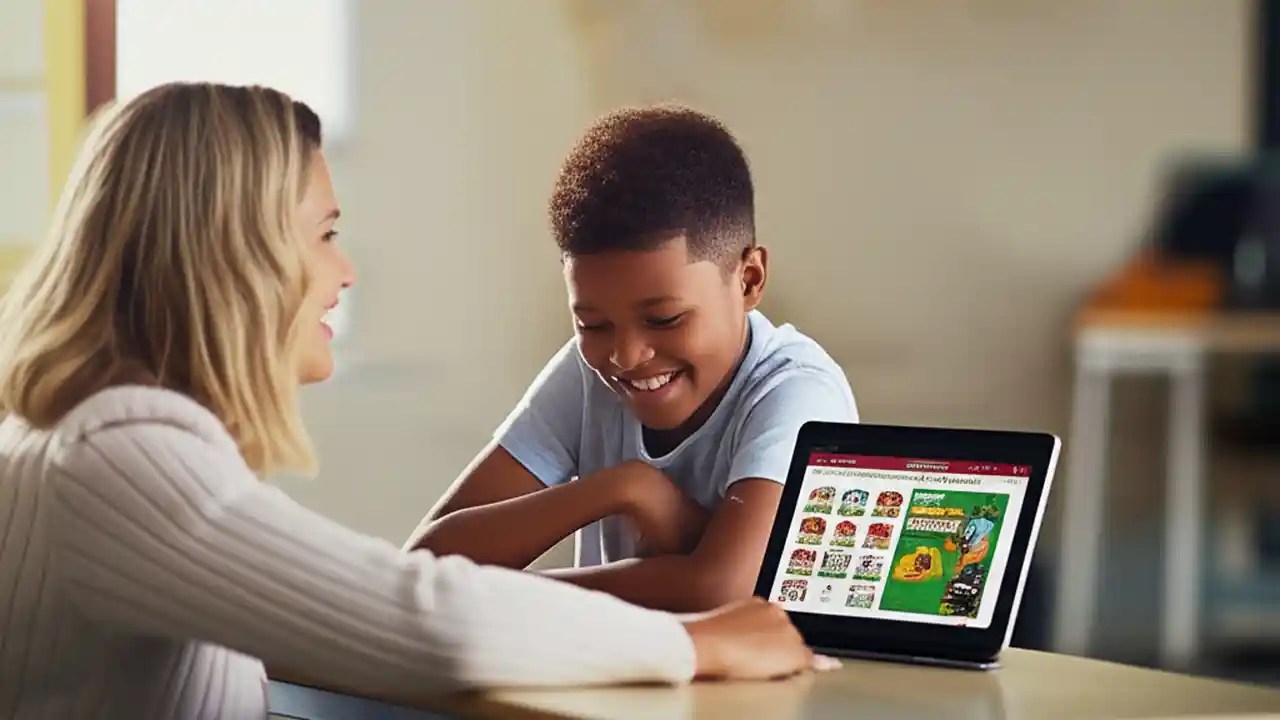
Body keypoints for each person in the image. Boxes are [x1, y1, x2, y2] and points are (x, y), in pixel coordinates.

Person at [0, 83, 824, 720]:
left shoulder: (78, 440)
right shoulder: (121, 459)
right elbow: (428, 616)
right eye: (324, 234)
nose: (346, 271)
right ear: (232, 257)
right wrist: (691, 644)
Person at [407, 105, 857, 612]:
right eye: (592, 325)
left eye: (665, 319)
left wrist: (497, 592)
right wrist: (622, 489)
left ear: (748, 280)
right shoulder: (589, 373)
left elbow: (720, 590)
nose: (626, 355)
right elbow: (424, 564)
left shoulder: (796, 390)